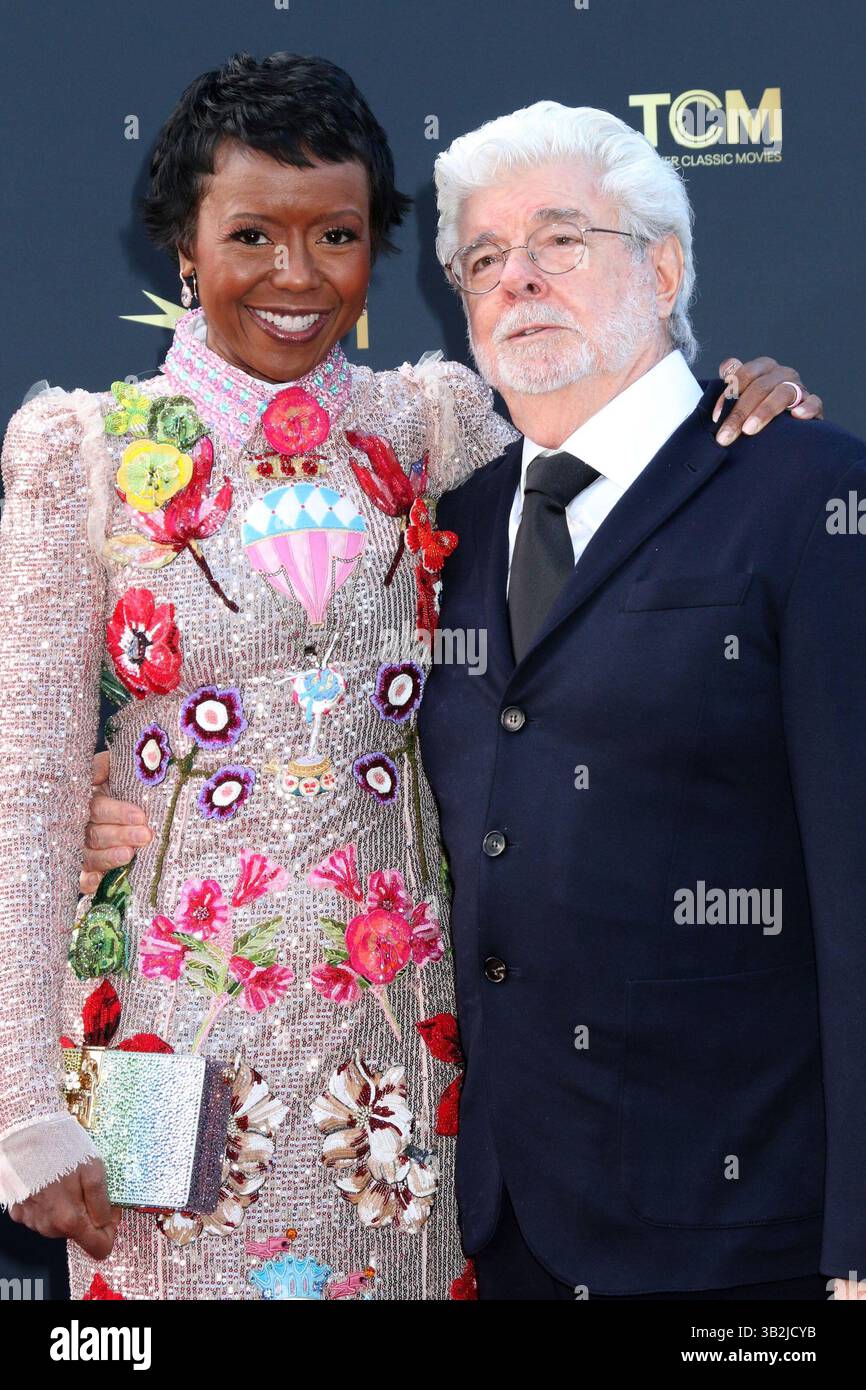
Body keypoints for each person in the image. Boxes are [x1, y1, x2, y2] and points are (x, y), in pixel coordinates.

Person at [22, 53, 816, 1302]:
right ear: (184, 246)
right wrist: (24, 1106)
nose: (294, 276)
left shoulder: (432, 421)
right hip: (163, 1039)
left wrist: (738, 397)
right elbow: (24, 783)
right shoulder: (84, 448)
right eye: (250, 236)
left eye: (332, 236)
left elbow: (617, 465)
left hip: (406, 1046)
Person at [415, 101, 866, 1299]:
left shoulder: (807, 496)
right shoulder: (445, 535)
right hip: (510, 1229)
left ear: (661, 268)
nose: (515, 278)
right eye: (480, 260)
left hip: (747, 1238)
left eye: (559, 239)